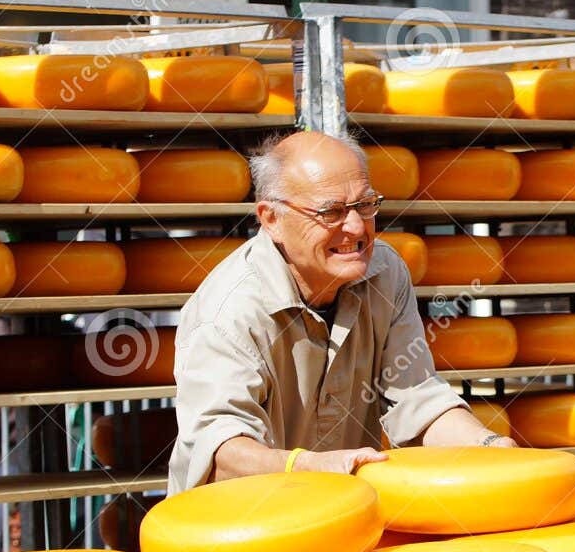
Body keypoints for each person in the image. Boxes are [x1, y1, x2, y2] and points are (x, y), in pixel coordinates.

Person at [167, 130, 509, 494]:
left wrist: (485, 446)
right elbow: (221, 453)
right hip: (238, 529)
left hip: (342, 514)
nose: (357, 228)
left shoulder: (386, 273)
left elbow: (417, 400)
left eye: (365, 206)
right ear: (271, 219)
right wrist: (308, 467)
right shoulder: (229, 312)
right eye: (331, 212)